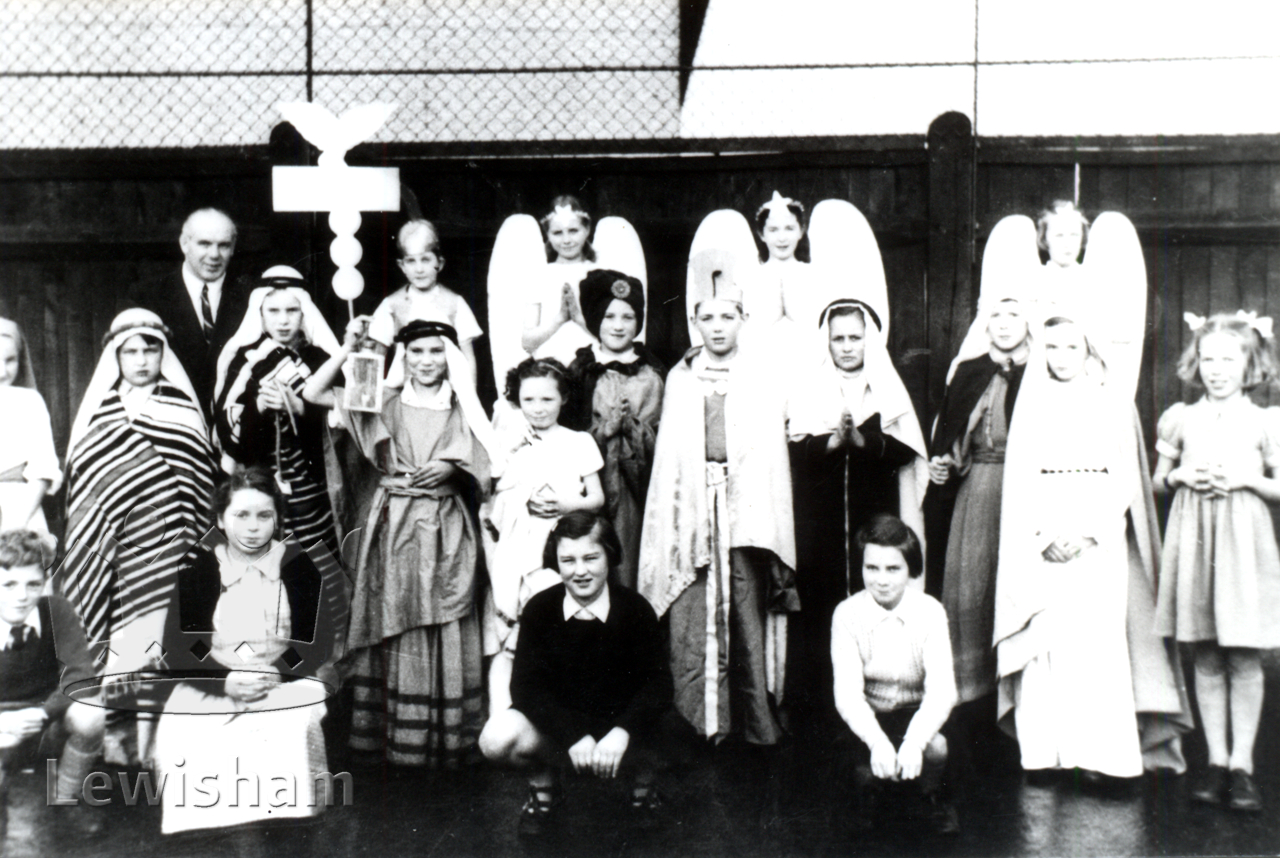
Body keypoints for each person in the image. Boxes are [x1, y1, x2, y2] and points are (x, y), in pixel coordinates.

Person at [994, 315, 1191, 783]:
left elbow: (1124, 480)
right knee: (1044, 643)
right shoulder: (1031, 404)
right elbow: (1019, 482)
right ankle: (1044, 755)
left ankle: (1100, 758)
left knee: (1096, 643)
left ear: (1089, 350)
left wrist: (1087, 533)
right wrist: (1044, 537)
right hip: (1040, 537)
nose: (1060, 357)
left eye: (1070, 347)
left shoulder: (1112, 402)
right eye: (1052, 348)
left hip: (1097, 537)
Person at [303, 318, 494, 767]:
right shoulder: (380, 400)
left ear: (450, 358)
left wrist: (454, 468)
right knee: (395, 613)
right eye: (416, 352)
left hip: (447, 528)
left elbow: (488, 462)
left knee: (444, 616)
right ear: (402, 358)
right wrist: (350, 347)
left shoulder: (463, 408)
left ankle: (445, 736)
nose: (426, 361)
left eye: (435, 352)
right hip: (393, 528)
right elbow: (312, 395)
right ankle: (393, 737)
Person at [638, 275, 797, 747]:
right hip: (692, 507)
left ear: (743, 320)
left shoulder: (760, 376)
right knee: (693, 608)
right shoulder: (681, 380)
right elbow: (671, 456)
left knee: (744, 607)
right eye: (707, 318)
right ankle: (699, 723)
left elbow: (769, 453)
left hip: (744, 510)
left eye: (728, 316)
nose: (718, 327)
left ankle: (751, 720)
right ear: (694, 323)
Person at [59, 308, 216, 765]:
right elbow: (84, 492)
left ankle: (160, 750)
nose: (142, 358)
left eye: (151, 349)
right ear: (116, 356)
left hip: (169, 553)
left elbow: (197, 487)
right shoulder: (98, 415)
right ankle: (109, 744)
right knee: (109, 642)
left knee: (162, 638)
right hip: (106, 553)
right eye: (131, 351)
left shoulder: (184, 414)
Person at [152, 468, 335, 837]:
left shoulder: (298, 567)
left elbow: (315, 643)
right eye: (241, 515)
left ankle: (287, 823)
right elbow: (178, 649)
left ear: (278, 519)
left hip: (284, 678)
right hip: (214, 679)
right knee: (188, 730)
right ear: (221, 518)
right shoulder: (200, 569)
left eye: (264, 515)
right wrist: (226, 682)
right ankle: (221, 831)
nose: (253, 527)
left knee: (289, 723)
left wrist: (279, 671)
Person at [1153, 311, 1280, 811]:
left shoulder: (1266, 420)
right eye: (1208, 359)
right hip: (1195, 538)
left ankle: (1243, 767)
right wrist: (1181, 476)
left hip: (1244, 541)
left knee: (1243, 653)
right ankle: (1216, 761)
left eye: (1229, 359)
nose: (1217, 369)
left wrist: (1248, 480)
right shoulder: (1182, 417)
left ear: (1250, 363)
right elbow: (1155, 481)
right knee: (1205, 652)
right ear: (1195, 363)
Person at [480, 512, 673, 836]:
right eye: (568, 560)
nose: (580, 571)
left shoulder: (635, 609)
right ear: (555, 561)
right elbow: (526, 687)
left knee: (677, 735)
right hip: (562, 731)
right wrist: (571, 735)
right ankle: (545, 789)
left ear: (609, 556)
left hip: (618, 729)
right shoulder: (540, 609)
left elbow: (659, 684)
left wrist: (623, 731)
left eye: (591, 558)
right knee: (496, 738)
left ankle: (643, 790)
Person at [786, 298, 928, 728]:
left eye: (855, 338)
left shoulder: (887, 386)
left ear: (870, 341)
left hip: (875, 511)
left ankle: (878, 704)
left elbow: (908, 449)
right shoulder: (809, 386)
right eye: (838, 338)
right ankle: (821, 710)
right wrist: (831, 443)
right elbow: (794, 446)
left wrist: (865, 442)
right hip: (821, 520)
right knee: (821, 603)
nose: (846, 347)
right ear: (825, 342)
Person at [923, 292, 1030, 705]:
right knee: (971, 588)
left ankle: (1016, 693)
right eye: (995, 315)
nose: (1004, 323)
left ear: (1028, 322)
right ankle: (971, 695)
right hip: (975, 491)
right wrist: (943, 463)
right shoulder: (968, 372)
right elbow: (948, 437)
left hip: (1022, 490)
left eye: (1013, 313)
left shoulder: (1040, 372)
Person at [482, 358, 604, 689]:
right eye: (528, 400)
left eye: (547, 399)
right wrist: (508, 457)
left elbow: (596, 498)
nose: (538, 409)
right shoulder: (510, 441)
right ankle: (513, 698)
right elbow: (490, 492)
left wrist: (567, 504)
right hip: (517, 542)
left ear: (564, 398)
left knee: (556, 614)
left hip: (558, 543)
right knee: (511, 619)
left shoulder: (578, 441)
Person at [831, 515, 958, 834]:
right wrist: (876, 741)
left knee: (937, 748)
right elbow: (847, 695)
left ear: (911, 569)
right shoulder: (847, 614)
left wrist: (915, 741)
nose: (881, 580)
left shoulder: (930, 611)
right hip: (871, 713)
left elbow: (943, 691)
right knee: (860, 775)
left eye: (893, 569)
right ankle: (870, 797)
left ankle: (931, 796)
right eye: (871, 568)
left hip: (916, 712)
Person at [214, 267, 343, 558]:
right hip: (261, 478)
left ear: (304, 313)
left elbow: (339, 425)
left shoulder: (321, 359)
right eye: (273, 311)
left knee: (315, 558)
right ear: (259, 314)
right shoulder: (245, 362)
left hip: (310, 484)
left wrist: (301, 408)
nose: (283, 320)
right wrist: (257, 408)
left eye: (292, 311)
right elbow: (231, 430)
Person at [0, 530, 104, 838]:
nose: (22, 596)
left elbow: (81, 675)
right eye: (8, 584)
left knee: (91, 713)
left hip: (46, 719)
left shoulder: (56, 611)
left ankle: (66, 797)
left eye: (33, 584)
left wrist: (44, 713)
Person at [565, 269, 664, 589]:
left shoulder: (653, 372)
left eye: (628, 316)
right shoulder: (581, 370)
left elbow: (664, 433)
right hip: (591, 485)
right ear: (596, 320)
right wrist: (605, 431)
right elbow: (566, 432)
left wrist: (634, 430)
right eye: (609, 316)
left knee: (631, 558)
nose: (618, 326)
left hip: (637, 486)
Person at [126, 208, 253, 414]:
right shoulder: (147, 297)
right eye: (204, 244)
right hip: (172, 421)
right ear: (184, 243)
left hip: (238, 426)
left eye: (223, 245)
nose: (214, 255)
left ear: (233, 248)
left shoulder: (252, 296)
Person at [367, 219, 483, 382]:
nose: (419, 269)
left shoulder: (454, 303)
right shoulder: (392, 305)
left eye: (426, 260)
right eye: (411, 261)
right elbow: (375, 358)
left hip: (446, 391)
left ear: (439, 263)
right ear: (402, 266)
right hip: (404, 391)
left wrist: (467, 400)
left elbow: (468, 359)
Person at [0, 319, 60, 535]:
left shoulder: (29, 402)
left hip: (20, 508)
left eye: (10, 360)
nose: (2, 371)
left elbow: (43, 468)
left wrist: (14, 524)